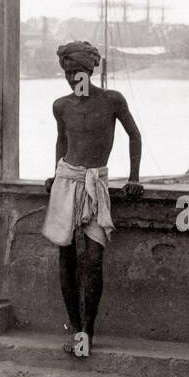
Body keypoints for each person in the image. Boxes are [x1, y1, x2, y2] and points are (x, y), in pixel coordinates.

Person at [43, 40, 143, 357]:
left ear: (90, 70)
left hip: (95, 184)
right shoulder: (61, 106)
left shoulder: (112, 100)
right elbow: (62, 141)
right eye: (69, 73)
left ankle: (89, 331)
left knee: (93, 261)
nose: (74, 78)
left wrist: (134, 178)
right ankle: (76, 333)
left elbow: (135, 135)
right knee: (66, 258)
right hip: (66, 182)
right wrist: (55, 173)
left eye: (79, 71)